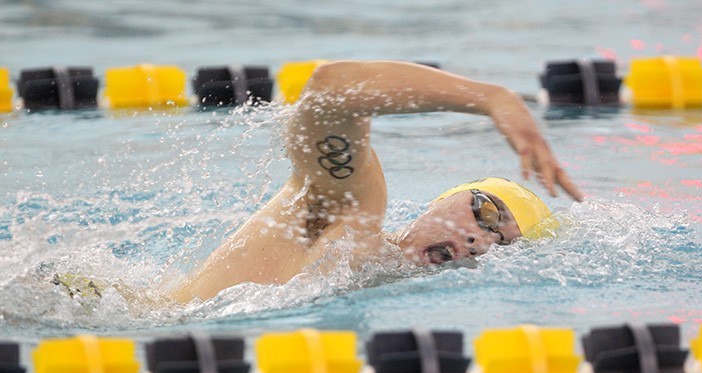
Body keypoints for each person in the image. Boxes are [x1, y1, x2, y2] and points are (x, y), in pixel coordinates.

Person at [169, 61, 583, 302]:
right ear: (443, 199)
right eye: (487, 213)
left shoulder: (382, 284)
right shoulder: (346, 216)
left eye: (502, 243)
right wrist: (492, 98)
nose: (481, 240)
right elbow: (332, 90)